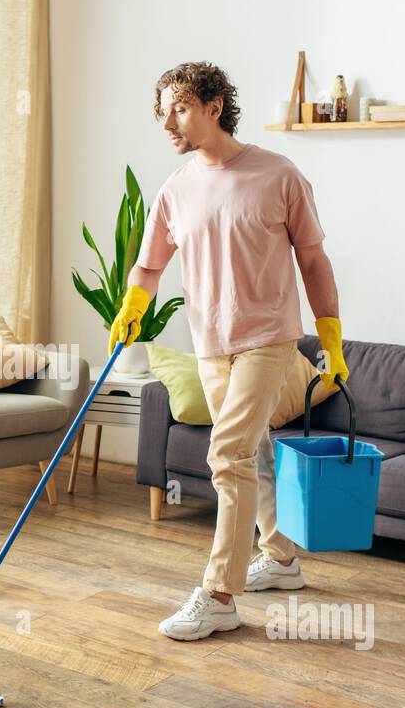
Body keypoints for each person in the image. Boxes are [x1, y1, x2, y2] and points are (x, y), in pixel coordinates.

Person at [110, 61, 348, 641]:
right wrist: (132, 306)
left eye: (180, 108)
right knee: (257, 453)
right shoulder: (177, 189)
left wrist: (331, 337)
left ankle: (219, 595)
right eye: (162, 110)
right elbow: (148, 266)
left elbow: (313, 261)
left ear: (215, 106)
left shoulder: (278, 175)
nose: (168, 122)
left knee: (228, 457)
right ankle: (283, 557)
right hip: (209, 345)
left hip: (269, 340)